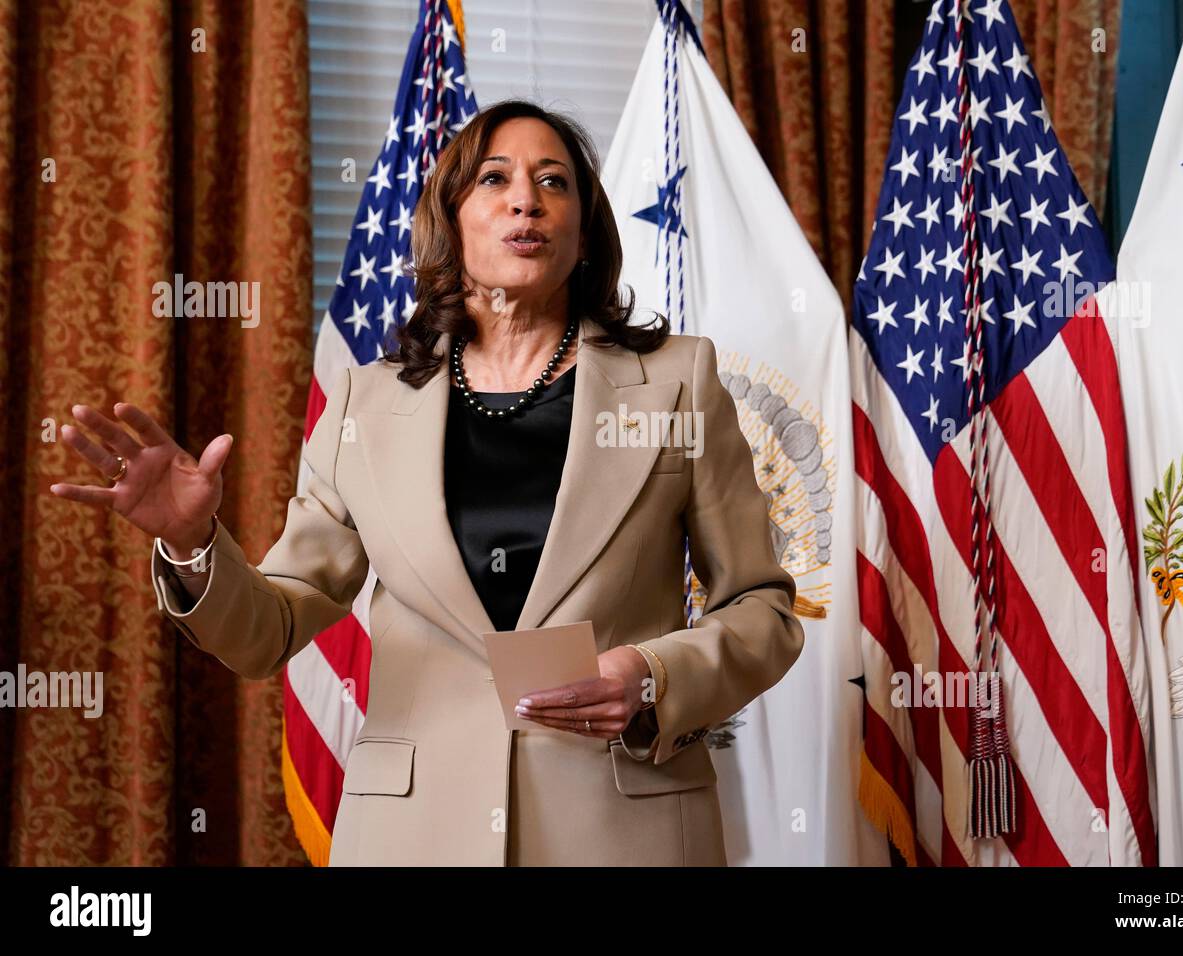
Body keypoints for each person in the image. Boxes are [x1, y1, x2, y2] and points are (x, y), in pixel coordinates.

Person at [49, 99, 804, 866]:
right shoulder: (364, 405)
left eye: (554, 181)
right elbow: (268, 630)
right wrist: (192, 541)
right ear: (450, 222)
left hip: (623, 832)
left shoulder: (678, 381)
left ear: (584, 232)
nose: (526, 199)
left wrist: (653, 675)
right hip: (414, 837)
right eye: (494, 179)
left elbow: (762, 608)